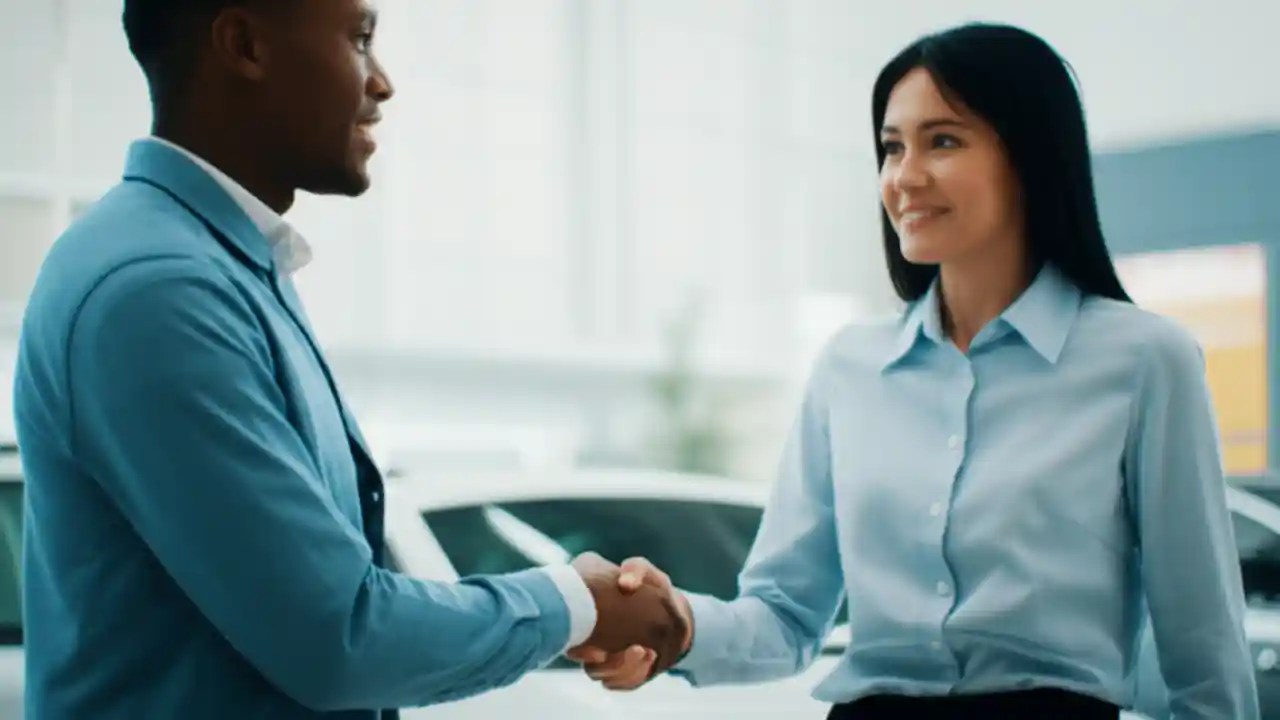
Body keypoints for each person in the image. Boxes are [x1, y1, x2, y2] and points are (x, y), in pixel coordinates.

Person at [11, 1, 685, 718]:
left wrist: (572, 608)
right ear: (245, 44)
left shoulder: (217, 266)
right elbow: (340, 638)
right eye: (360, 39)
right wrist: (575, 604)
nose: (383, 82)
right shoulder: (159, 288)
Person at [571, 22, 1259, 720]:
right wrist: (677, 626)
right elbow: (785, 616)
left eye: (944, 140)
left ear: (1030, 156)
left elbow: (1204, 657)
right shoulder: (850, 368)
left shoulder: (1144, 360)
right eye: (892, 147)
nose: (905, 176)